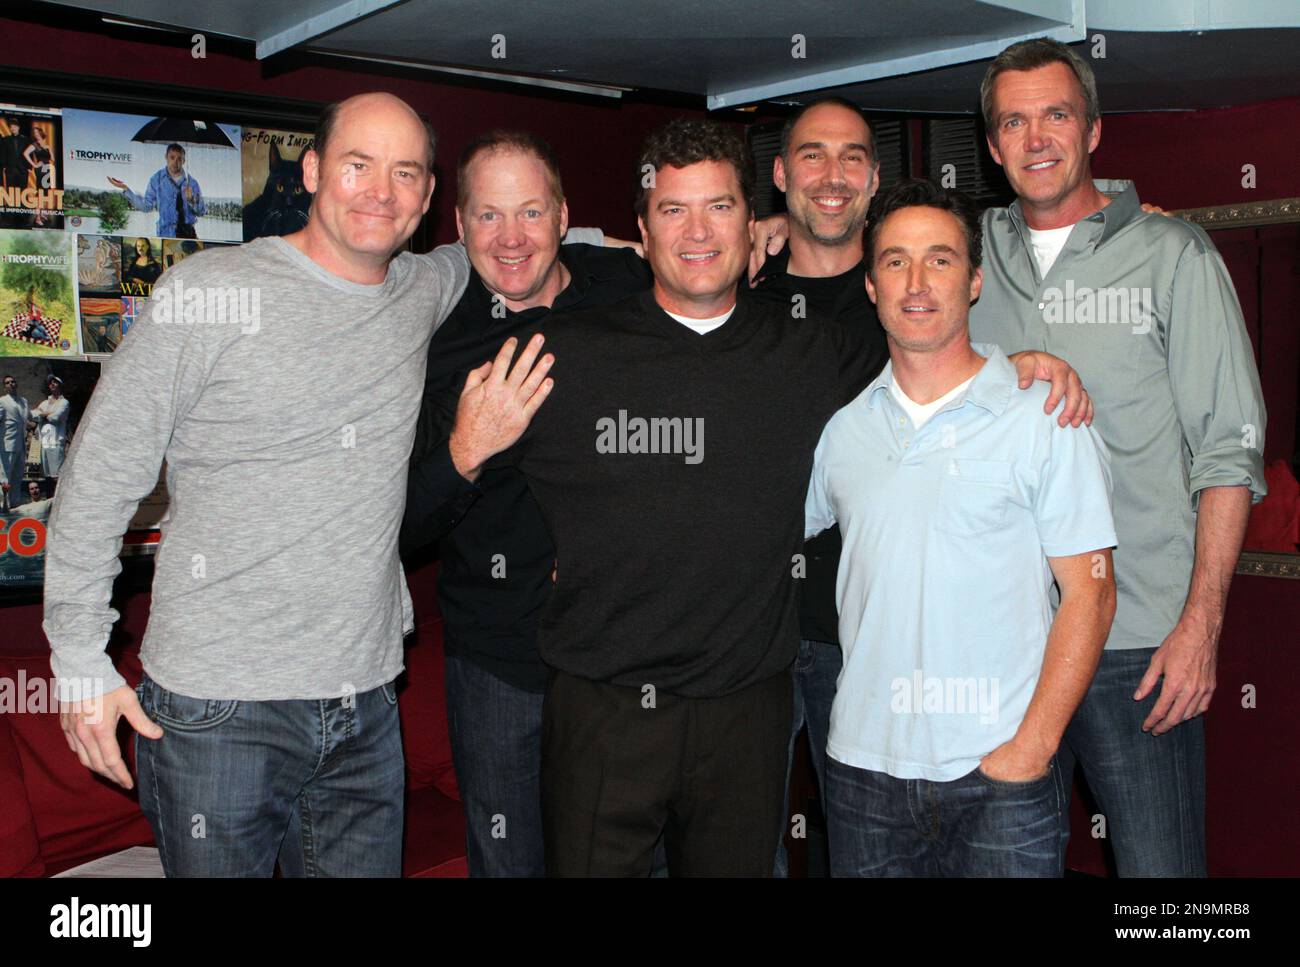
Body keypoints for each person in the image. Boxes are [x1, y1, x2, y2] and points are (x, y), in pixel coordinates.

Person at [439, 118, 1088, 876]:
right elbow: (429, 512)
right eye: (673, 210)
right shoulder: (560, 356)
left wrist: (1020, 365)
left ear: (753, 227)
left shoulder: (814, 351)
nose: (697, 231)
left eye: (718, 207)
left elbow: (929, 342)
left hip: (748, 713)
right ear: (640, 233)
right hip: (602, 715)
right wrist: (464, 452)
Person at [46, 92, 473, 878]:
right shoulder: (211, 291)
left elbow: (509, 242)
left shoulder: (420, 289)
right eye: (358, 164)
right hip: (220, 712)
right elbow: (99, 473)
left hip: (367, 703)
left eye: (405, 172)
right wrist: (78, 660)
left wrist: (622, 240)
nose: (381, 190)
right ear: (311, 171)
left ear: (427, 194)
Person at [971, 38, 1268, 876]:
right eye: (1014, 122)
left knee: (1161, 880)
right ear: (991, 147)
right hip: (1004, 646)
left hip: (1140, 644)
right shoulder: (962, 261)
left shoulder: (1174, 256)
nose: (1036, 139)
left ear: (1094, 129)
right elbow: (852, 258)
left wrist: (1202, 625)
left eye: (1056, 115)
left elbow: (1228, 453)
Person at [808, 178, 1117, 876]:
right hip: (861, 773)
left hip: (1000, 776)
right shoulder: (843, 431)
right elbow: (752, 533)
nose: (917, 282)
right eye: (895, 261)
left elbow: (1092, 594)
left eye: (940, 259)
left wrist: (1030, 750)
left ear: (974, 280)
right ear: (871, 285)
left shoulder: (1043, 416)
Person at [402, 130, 650, 877]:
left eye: (530, 213)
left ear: (563, 217)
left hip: (624, 653)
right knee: (510, 863)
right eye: (488, 216)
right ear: (459, 224)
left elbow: (712, 255)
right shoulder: (433, 340)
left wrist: (769, 230)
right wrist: (465, 451)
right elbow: (401, 527)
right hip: (502, 663)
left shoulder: (627, 288)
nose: (511, 239)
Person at [746, 96, 887, 875]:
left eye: (852, 157)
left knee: (865, 849)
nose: (832, 176)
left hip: (869, 632)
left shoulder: (910, 293)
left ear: (873, 177)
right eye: (812, 154)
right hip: (749, 627)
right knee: (742, 843)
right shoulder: (736, 294)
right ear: (779, 174)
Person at [108, 143, 204, 239]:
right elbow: (146, 206)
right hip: (165, 235)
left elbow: (201, 212)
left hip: (188, 236)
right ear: (166, 157)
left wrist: (192, 201)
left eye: (179, 159)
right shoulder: (156, 179)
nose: (175, 162)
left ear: (184, 161)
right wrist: (125, 189)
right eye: (172, 157)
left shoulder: (192, 183)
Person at [0, 374, 32, 510]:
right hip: (7, 443)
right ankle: (3, 504)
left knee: (18, 475)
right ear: (5, 387)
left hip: (21, 443)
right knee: (5, 475)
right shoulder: (2, 401)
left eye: (13, 381)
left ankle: (15, 503)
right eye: (8, 383)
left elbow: (29, 416)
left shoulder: (23, 401)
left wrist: (45, 413)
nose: (11, 384)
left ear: (16, 384)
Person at [33, 375, 69, 479]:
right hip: (44, 443)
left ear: (60, 385)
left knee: (56, 476)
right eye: (50, 383)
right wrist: (48, 413)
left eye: (55, 382)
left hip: (56, 442)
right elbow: (33, 415)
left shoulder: (64, 402)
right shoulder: (44, 403)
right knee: (46, 476)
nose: (52, 384)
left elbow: (56, 417)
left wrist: (42, 414)